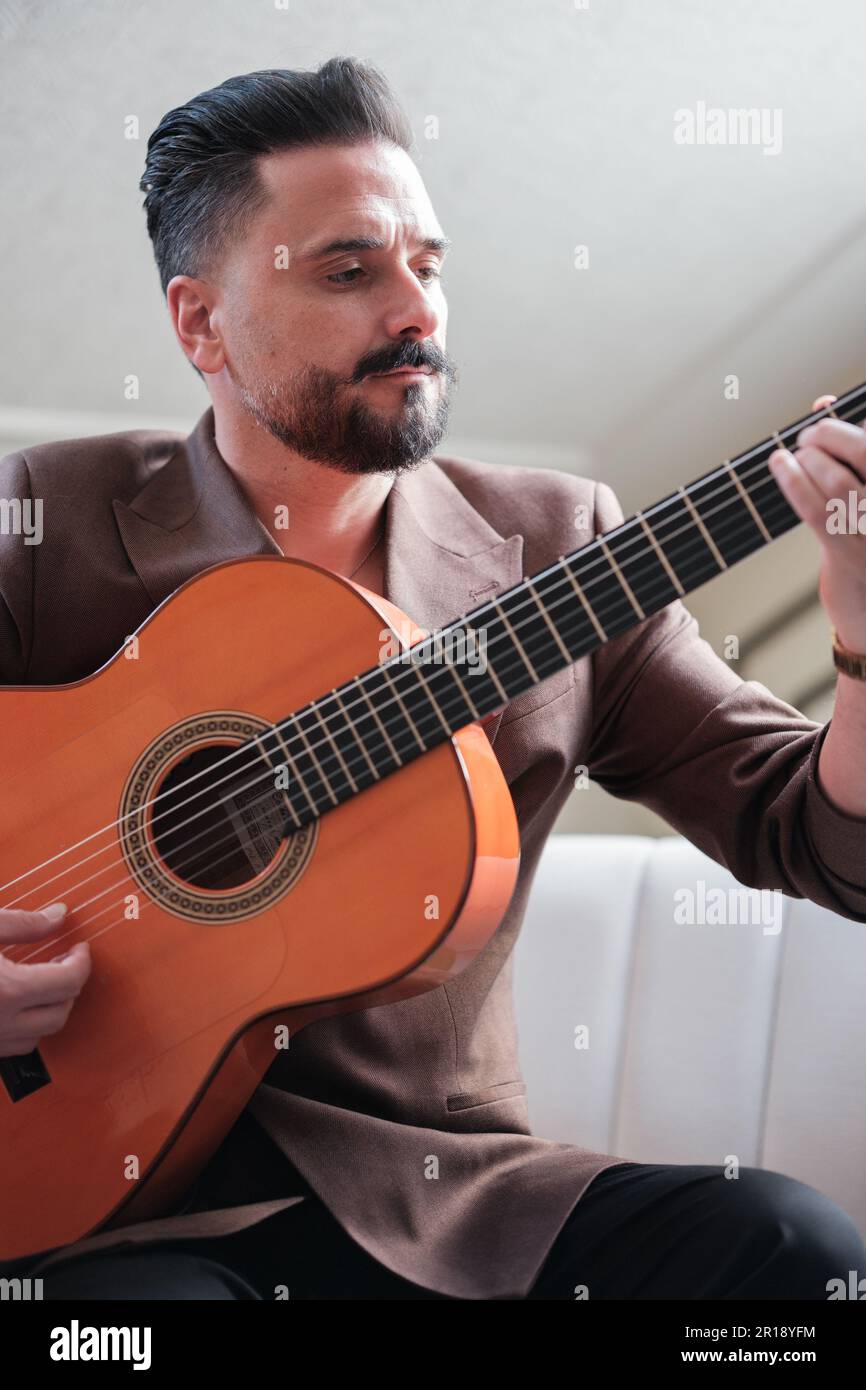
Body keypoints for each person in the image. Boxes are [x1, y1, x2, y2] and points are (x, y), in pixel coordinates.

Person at [2, 58, 866, 1301]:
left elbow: (823, 844)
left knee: (794, 1256)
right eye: (350, 271)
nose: (415, 309)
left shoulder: (561, 549)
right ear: (199, 324)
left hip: (451, 1204)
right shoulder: (47, 519)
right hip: (122, 1224)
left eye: (428, 264)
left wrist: (856, 627)